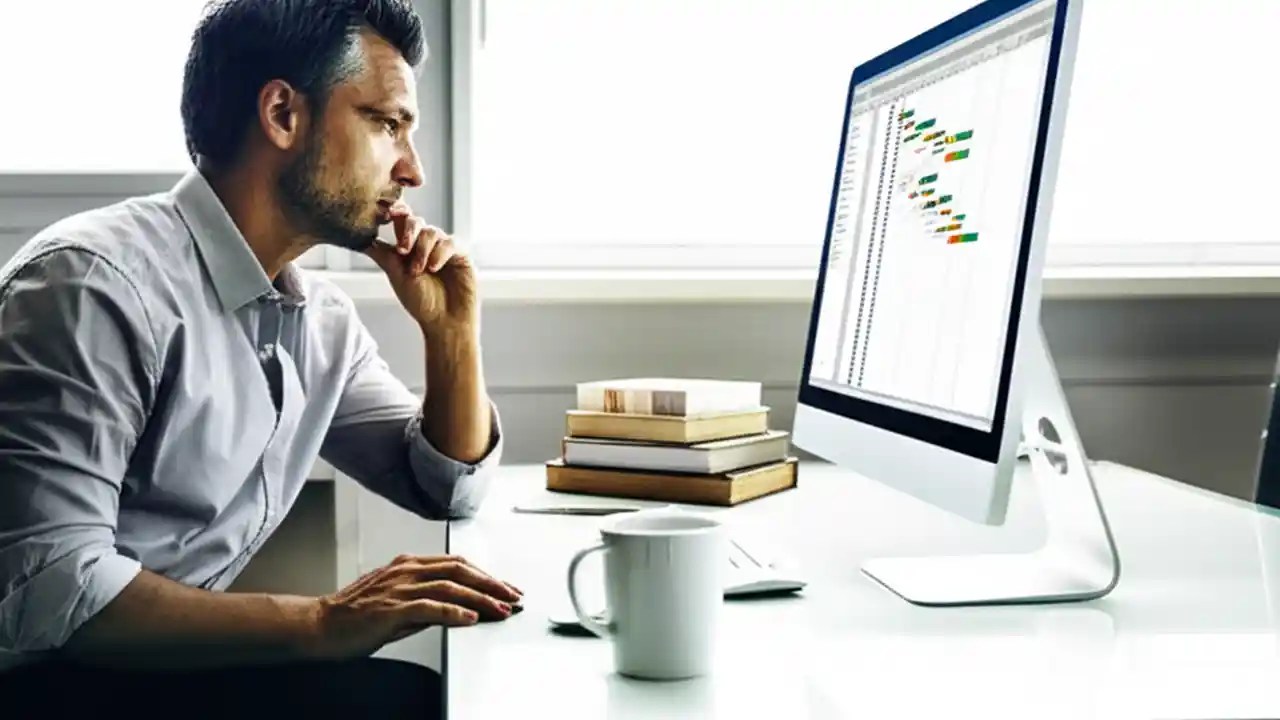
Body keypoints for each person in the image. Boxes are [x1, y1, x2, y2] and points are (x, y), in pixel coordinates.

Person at [0, 1, 520, 715]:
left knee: (417, 698)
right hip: (41, 685)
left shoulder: (319, 321)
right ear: (282, 114)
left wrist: (452, 335)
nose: (413, 170)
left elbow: (445, 488)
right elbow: (52, 590)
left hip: (150, 677)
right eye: (387, 123)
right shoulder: (91, 284)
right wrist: (324, 622)